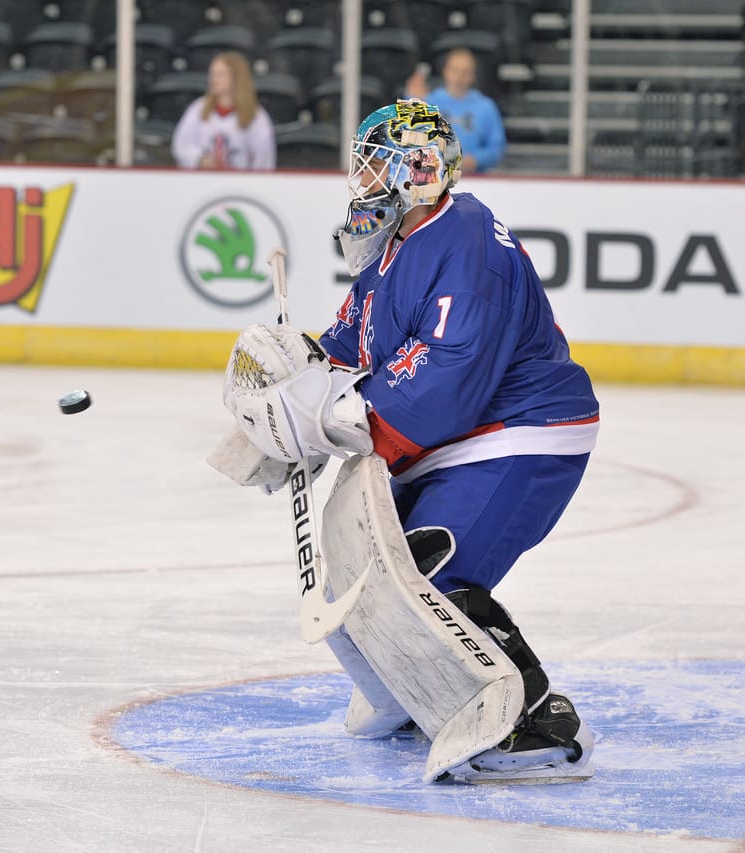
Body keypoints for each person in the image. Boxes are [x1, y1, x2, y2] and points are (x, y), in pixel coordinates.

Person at [215, 100, 599, 783]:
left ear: (417, 170)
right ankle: (407, 688)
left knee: (425, 573)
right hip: (462, 435)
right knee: (364, 564)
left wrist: (335, 417)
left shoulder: (467, 244)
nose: (360, 180)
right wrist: (293, 387)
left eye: (374, 166)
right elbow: (351, 343)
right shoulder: (395, 241)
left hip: (521, 432)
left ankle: (538, 725)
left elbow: (449, 377)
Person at [405, 48, 506, 174]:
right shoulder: (428, 101)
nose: (459, 77)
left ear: (473, 75)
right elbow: (407, 137)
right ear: (445, 71)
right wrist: (411, 101)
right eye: (454, 70)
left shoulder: (486, 106)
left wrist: (476, 159)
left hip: (475, 177)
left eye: (465, 72)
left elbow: (497, 147)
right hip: (433, 175)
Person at [171, 51, 275, 170]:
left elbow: (264, 161)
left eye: (220, 75)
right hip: (202, 179)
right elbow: (181, 145)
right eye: (212, 74)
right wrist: (200, 159)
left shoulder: (257, 117)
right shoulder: (198, 108)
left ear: (236, 78)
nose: (213, 80)